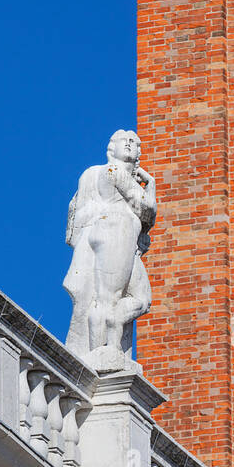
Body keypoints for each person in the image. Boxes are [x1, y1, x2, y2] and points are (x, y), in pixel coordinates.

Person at [63, 129, 156, 371]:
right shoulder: (113, 171)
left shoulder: (90, 174)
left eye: (134, 143)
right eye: (122, 141)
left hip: (115, 236)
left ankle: (112, 332)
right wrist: (151, 186)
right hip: (117, 232)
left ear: (138, 153)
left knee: (142, 299)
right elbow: (145, 208)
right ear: (110, 148)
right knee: (106, 298)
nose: (128, 144)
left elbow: (75, 216)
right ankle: (101, 353)